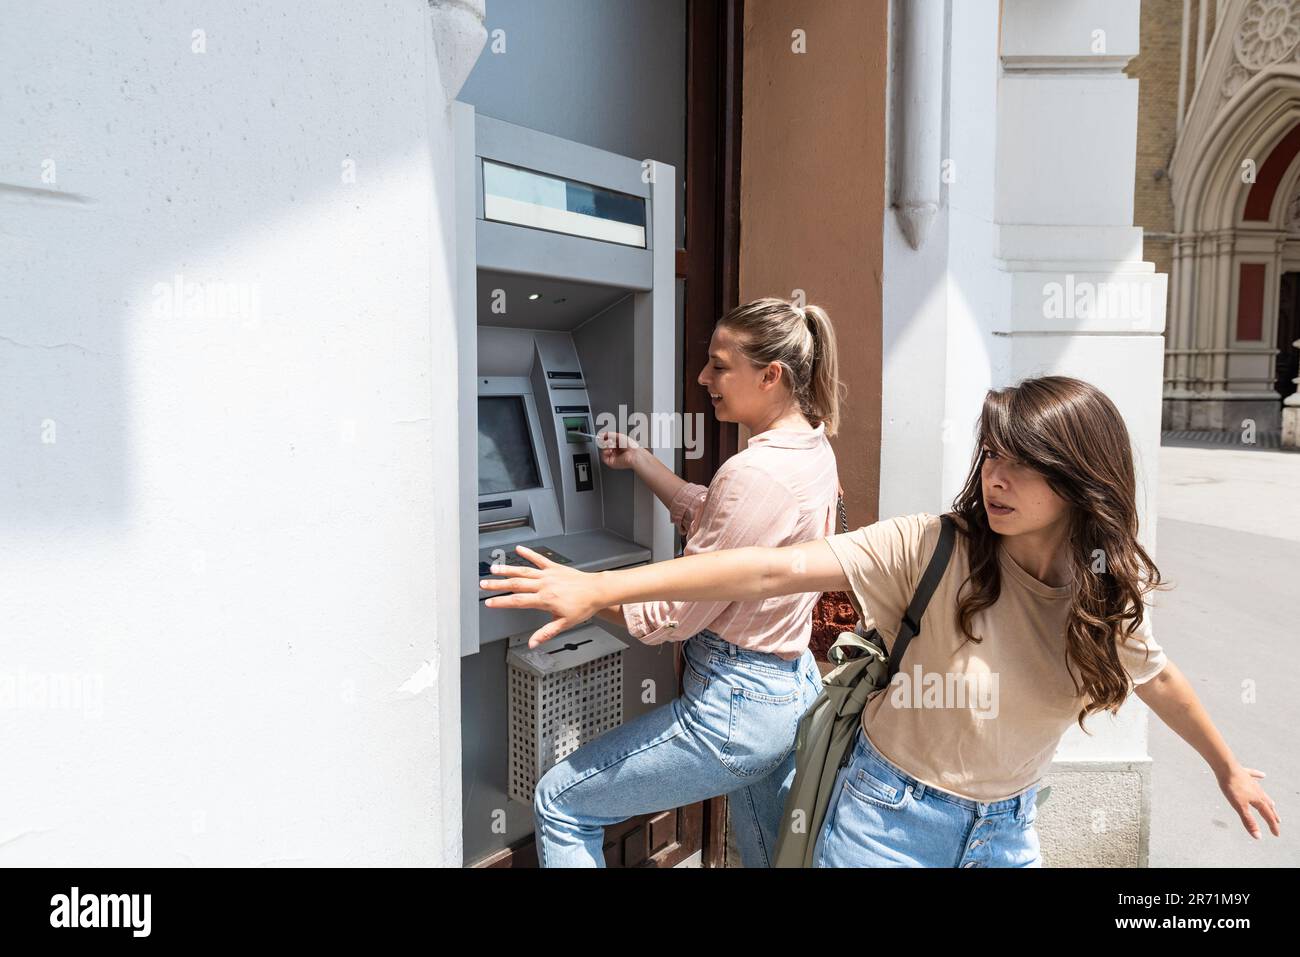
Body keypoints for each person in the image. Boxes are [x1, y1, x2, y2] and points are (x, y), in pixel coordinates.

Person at [483, 375, 1281, 867]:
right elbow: (768, 568)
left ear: (1078, 480)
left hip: (1007, 833)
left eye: (1021, 462)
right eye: (991, 455)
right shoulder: (932, 545)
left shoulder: (1098, 588)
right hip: (888, 824)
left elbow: (1157, 676)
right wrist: (602, 591)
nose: (995, 478)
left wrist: (1228, 767)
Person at [497, 296, 845, 867]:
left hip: (735, 705)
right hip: (787, 693)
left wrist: (587, 594)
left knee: (561, 803)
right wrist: (643, 462)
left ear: (771, 376)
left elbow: (672, 618)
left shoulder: (755, 472)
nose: (703, 377)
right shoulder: (811, 446)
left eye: (720, 366)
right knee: (771, 858)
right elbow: (728, 524)